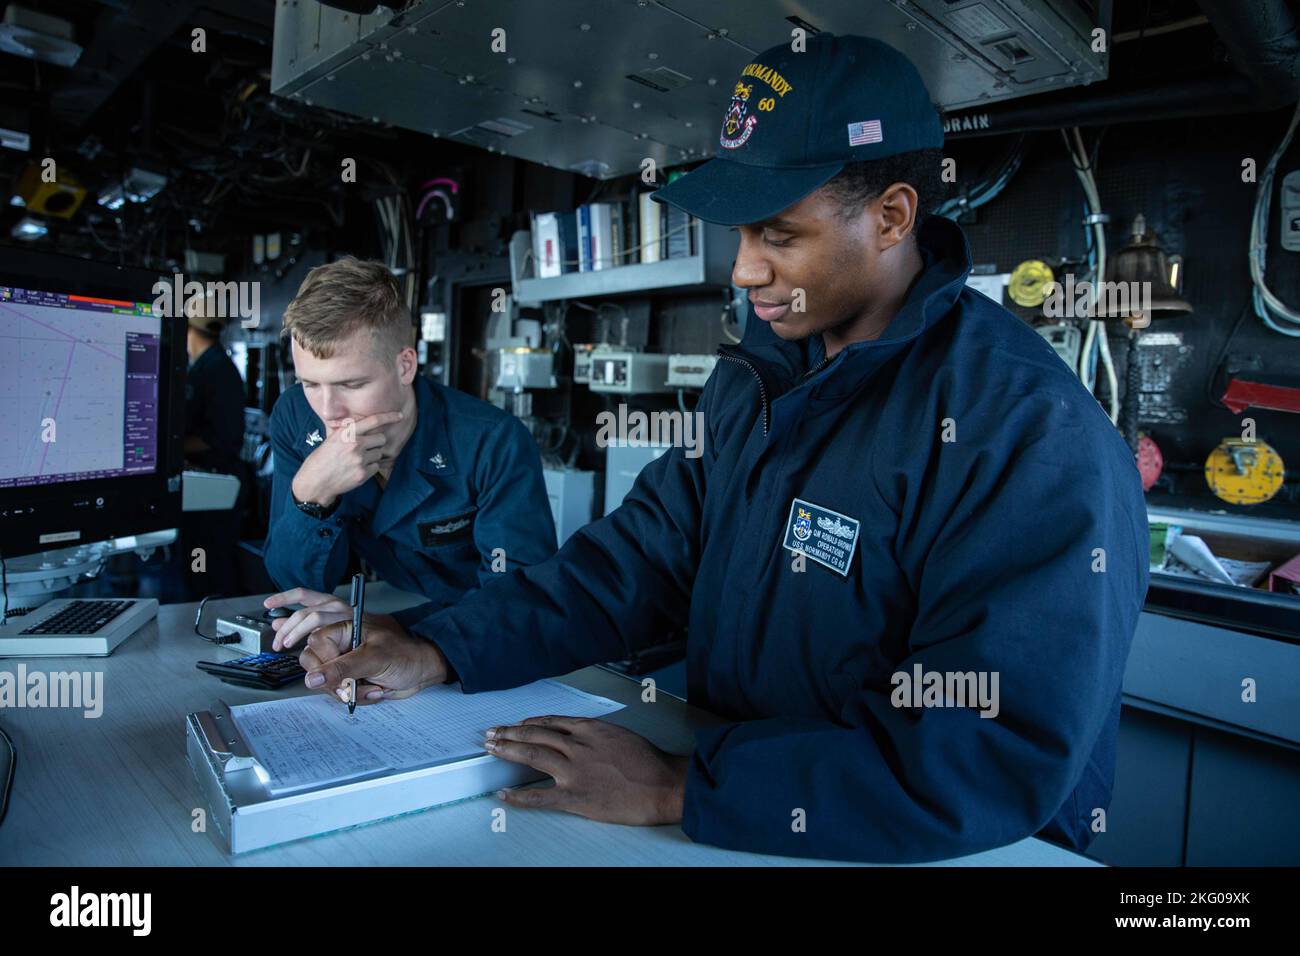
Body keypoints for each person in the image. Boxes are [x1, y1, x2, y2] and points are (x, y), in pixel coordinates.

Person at [267, 35, 1149, 863]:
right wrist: (441, 647)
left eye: (779, 233)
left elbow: (988, 746)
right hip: (757, 813)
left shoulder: (1024, 433)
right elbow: (636, 561)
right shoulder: (758, 379)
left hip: (955, 845)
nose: (743, 268)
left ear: (890, 217)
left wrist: (686, 786)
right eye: (740, 232)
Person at [262, 257, 555, 636]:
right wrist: (311, 497)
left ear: (405, 367)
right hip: (391, 602)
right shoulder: (294, 417)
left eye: (351, 385)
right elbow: (294, 590)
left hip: (476, 632)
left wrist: (386, 630)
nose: (328, 411)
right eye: (310, 384)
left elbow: (518, 598)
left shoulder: (493, 442)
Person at [181, 294, 246, 598]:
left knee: (210, 568)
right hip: (204, 484)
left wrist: (170, 449)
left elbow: (223, 437)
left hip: (216, 486)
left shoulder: (217, 371)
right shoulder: (204, 368)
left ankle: (210, 624)